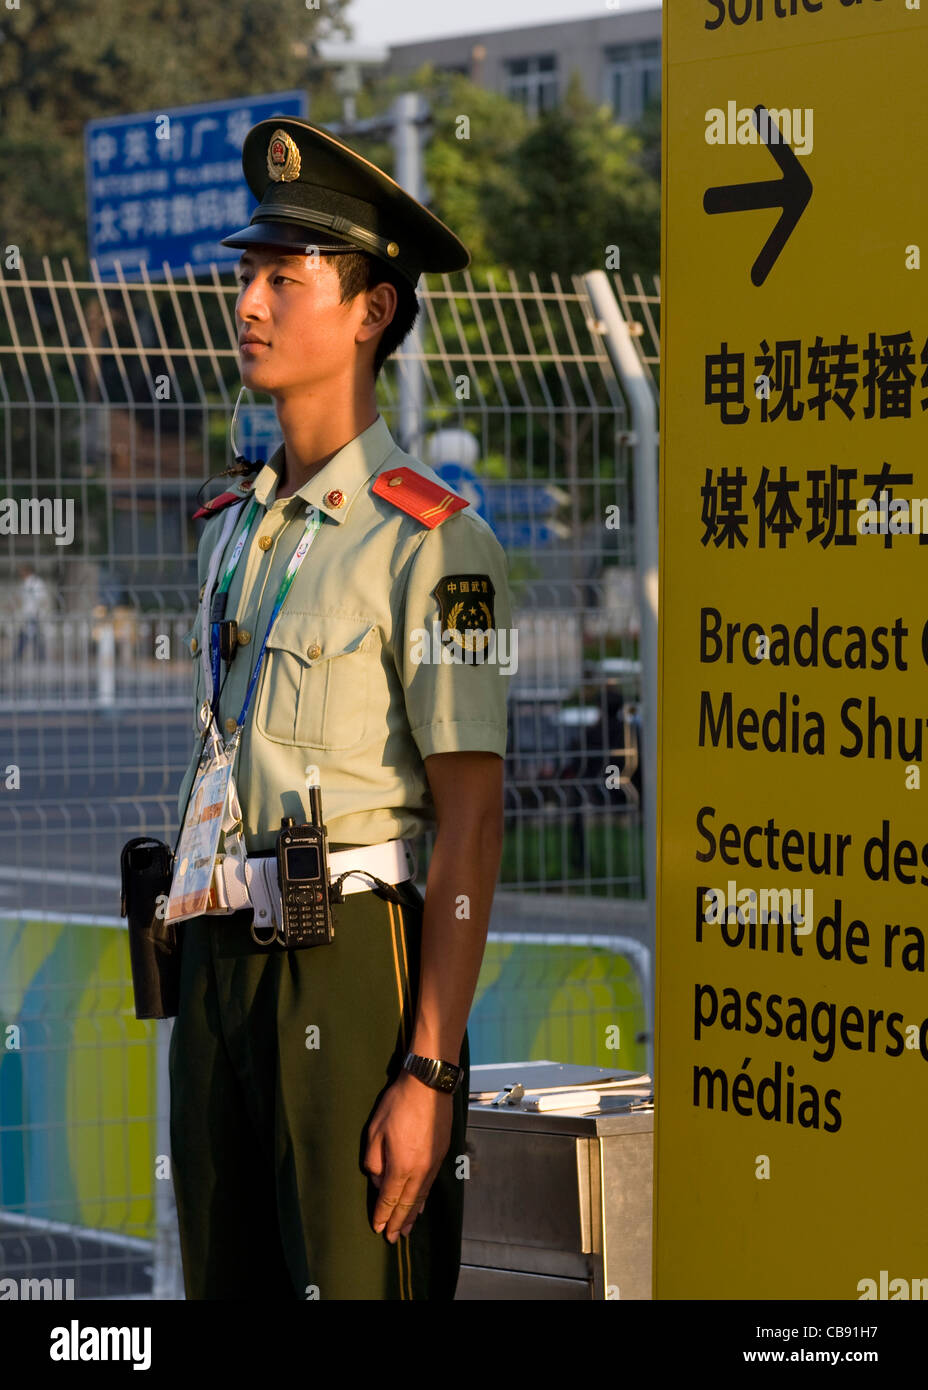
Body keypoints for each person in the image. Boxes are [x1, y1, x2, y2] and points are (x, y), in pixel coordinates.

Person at [168, 117, 513, 1301]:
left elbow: (470, 824)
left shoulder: (431, 540)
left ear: (370, 311)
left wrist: (429, 1068)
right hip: (217, 950)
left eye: (285, 277)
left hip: (351, 961)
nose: (249, 302)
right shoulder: (234, 527)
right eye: (247, 274)